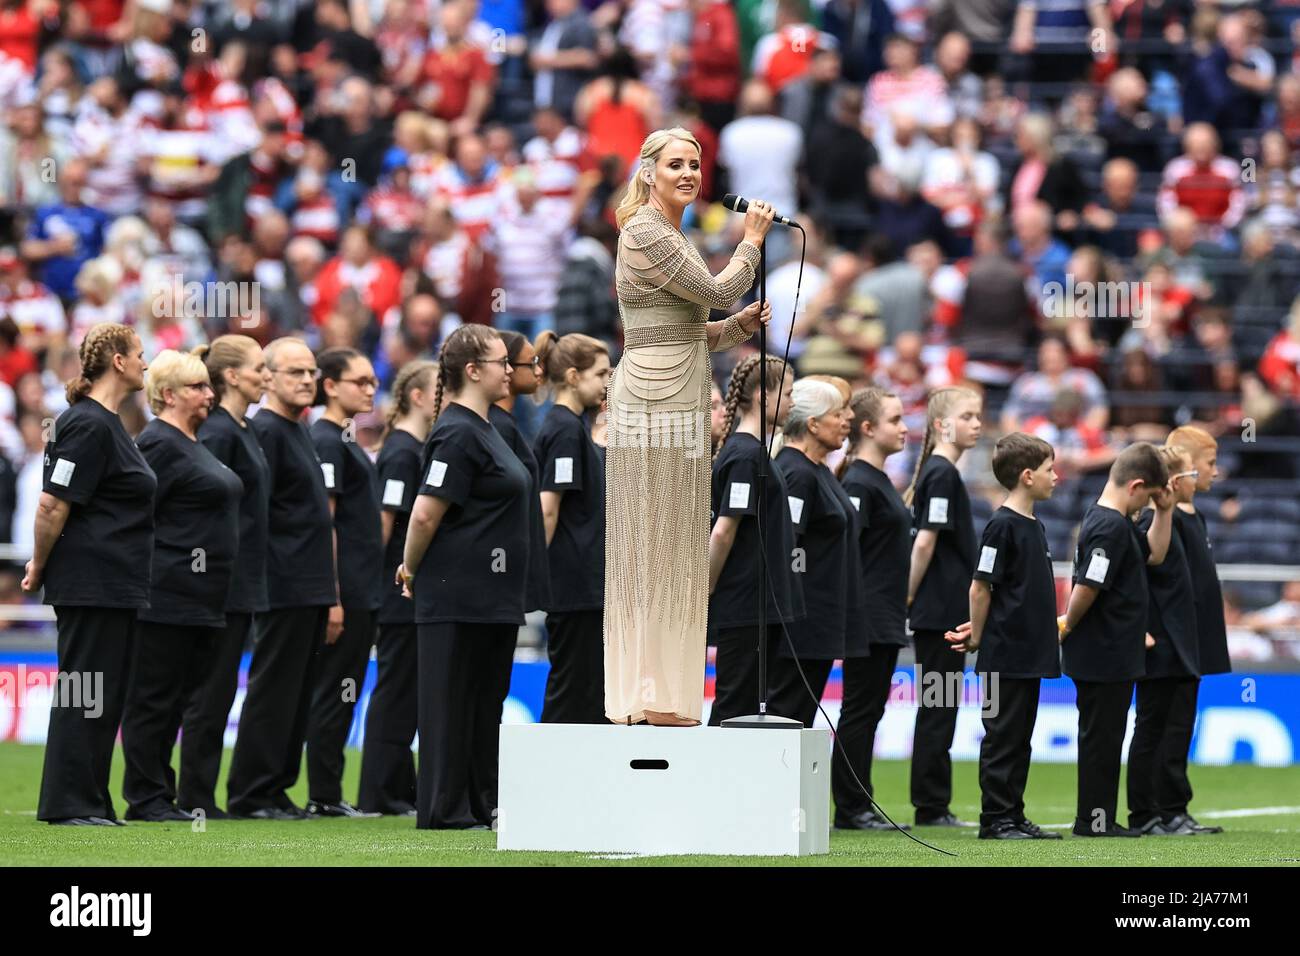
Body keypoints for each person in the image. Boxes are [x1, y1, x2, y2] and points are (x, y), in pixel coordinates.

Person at [605, 126, 773, 726]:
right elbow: (717, 289)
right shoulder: (646, 230)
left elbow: (676, 327)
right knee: (654, 545)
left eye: (696, 165)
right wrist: (750, 241)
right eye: (676, 164)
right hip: (655, 399)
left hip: (673, 387)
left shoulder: (667, 233)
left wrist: (735, 330)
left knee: (672, 543)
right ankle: (647, 695)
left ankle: (661, 694)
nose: (689, 174)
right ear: (647, 170)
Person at [397, 324, 529, 830]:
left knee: (480, 702)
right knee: (450, 702)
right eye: (501, 363)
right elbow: (425, 513)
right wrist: (411, 568)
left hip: (490, 596)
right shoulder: (455, 431)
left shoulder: (485, 427)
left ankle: (474, 802)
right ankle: (443, 807)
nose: (509, 372)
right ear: (473, 371)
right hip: (457, 592)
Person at [25, 323, 155, 826]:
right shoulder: (86, 424)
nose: (146, 362)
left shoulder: (109, 423)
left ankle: (91, 799)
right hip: (91, 582)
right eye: (140, 354)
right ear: (118, 361)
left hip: (116, 583)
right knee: (84, 688)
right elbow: (51, 504)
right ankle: (67, 803)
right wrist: (39, 563)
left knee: (105, 693)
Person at [121, 350, 243, 822]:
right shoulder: (159, 444)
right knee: (154, 699)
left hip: (202, 599)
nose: (209, 394)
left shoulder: (192, 442)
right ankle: (146, 797)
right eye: (198, 387)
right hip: (167, 596)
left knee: (176, 700)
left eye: (209, 386)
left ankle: (161, 792)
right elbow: (141, 517)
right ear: (168, 394)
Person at [226, 338, 335, 820]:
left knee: (295, 693)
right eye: (296, 372)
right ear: (267, 377)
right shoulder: (266, 430)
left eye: (312, 371)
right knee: (272, 690)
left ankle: (276, 788)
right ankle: (251, 791)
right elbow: (256, 515)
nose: (308, 380)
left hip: (307, 584)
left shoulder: (298, 429)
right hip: (280, 584)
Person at [946, 433, 1062, 840]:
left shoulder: (1034, 524)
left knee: (1020, 739)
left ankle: (1013, 814)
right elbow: (981, 586)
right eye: (1050, 469)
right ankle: (995, 819)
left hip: (1029, 653)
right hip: (1004, 653)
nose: (1057, 476)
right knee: (1002, 737)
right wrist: (978, 635)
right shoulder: (1002, 526)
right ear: (1028, 476)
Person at [1058, 443, 1173, 838]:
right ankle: (1093, 822)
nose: (1149, 502)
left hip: (1111, 650)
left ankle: (1099, 818)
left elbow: (1153, 555)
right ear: (1136, 485)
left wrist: (1164, 508)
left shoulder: (1115, 522)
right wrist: (1068, 623)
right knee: (1101, 738)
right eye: (1149, 495)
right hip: (1102, 652)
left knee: (1106, 736)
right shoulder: (1110, 525)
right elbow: (1089, 584)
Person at [186, 335, 272, 819]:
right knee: (209, 693)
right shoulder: (219, 432)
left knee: (219, 694)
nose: (267, 375)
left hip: (241, 585)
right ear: (233, 376)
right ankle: (195, 796)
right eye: (260, 367)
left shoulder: (243, 429)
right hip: (221, 584)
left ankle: (201, 794)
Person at [358, 360, 438, 816]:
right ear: (417, 396)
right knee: (396, 690)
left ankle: (394, 788)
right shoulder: (403, 452)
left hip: (401, 588)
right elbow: (386, 523)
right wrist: (389, 579)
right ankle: (381, 792)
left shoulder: (409, 447)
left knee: (401, 689)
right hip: (398, 589)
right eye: (437, 389)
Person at [307, 347, 384, 817]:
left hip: (363, 587)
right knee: (335, 691)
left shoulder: (347, 439)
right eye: (360, 381)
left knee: (345, 689)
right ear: (330, 385)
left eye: (373, 381)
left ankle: (329, 791)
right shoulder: (327, 441)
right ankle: (324, 794)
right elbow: (327, 522)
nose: (370, 389)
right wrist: (332, 596)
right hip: (347, 590)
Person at [706, 355, 801, 726]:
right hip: (745, 605)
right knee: (733, 705)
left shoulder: (755, 452)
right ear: (763, 395)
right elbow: (724, 529)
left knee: (747, 710)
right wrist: (706, 588)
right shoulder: (745, 455)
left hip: (759, 606)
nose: (792, 403)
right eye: (788, 393)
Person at [834, 387, 911, 831]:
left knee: (868, 710)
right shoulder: (860, 481)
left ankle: (858, 800)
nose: (903, 427)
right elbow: (851, 548)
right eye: (894, 419)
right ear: (867, 429)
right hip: (868, 615)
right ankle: (852, 805)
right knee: (860, 710)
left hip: (882, 614)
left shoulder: (876, 479)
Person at [904, 386, 981, 827]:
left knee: (941, 706)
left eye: (977, 416)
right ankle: (931, 805)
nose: (976, 423)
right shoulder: (941, 474)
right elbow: (926, 541)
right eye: (967, 416)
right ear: (941, 425)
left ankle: (933, 802)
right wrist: (909, 595)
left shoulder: (941, 474)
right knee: (938, 707)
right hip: (940, 615)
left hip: (943, 612)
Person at [532, 332, 611, 724]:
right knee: (571, 690)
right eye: (601, 374)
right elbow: (549, 508)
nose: (608, 383)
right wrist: (536, 575)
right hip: (574, 586)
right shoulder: (564, 429)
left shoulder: (575, 428)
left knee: (589, 691)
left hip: (585, 586)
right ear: (574, 376)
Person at [768, 379, 857, 725]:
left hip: (819, 621)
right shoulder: (797, 474)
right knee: (786, 717)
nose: (847, 419)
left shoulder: (819, 470)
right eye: (838, 413)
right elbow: (788, 546)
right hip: (801, 626)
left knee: (801, 719)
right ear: (813, 424)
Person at [1128, 445, 1202, 836]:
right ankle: (1145, 813)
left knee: (1170, 730)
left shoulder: (1169, 521)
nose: (1197, 480)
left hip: (1178, 643)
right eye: (1191, 473)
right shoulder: (1149, 527)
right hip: (1160, 643)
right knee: (1151, 728)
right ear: (1173, 481)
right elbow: (1139, 582)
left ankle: (1167, 810)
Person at [1163, 425, 1229, 834]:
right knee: (1167, 723)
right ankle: (1163, 808)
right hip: (1173, 642)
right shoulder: (1167, 519)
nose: (1215, 472)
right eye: (1209, 463)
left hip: (1193, 640)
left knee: (1182, 722)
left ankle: (1174, 806)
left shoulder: (1195, 515)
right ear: (1183, 468)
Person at [489, 331, 550, 614]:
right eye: (531, 363)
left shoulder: (507, 425)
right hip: (498, 579)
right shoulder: (496, 428)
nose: (538, 370)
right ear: (507, 369)